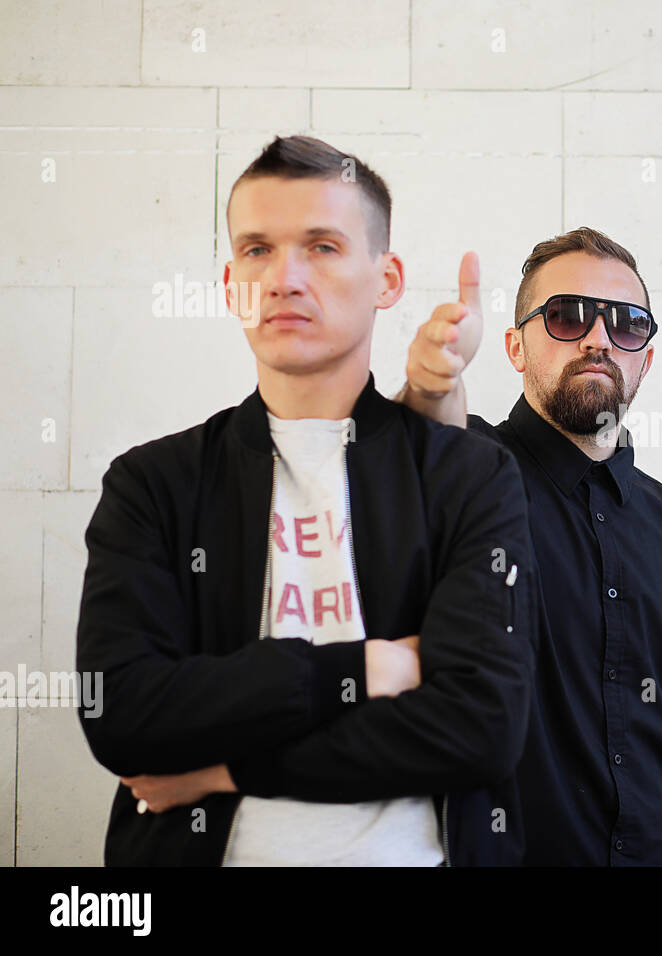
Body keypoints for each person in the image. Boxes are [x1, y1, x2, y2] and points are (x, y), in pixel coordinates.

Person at [75, 135, 538, 866]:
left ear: (386, 279)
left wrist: (225, 768)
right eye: (257, 250)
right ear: (231, 285)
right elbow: (123, 715)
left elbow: (482, 728)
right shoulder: (153, 484)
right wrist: (371, 669)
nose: (285, 277)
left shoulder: (471, 476)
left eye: (322, 246)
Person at [395, 227, 662, 865]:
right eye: (567, 316)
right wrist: (432, 384)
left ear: (647, 356)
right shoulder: (469, 474)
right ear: (515, 347)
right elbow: (409, 453)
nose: (598, 338)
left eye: (627, 324)